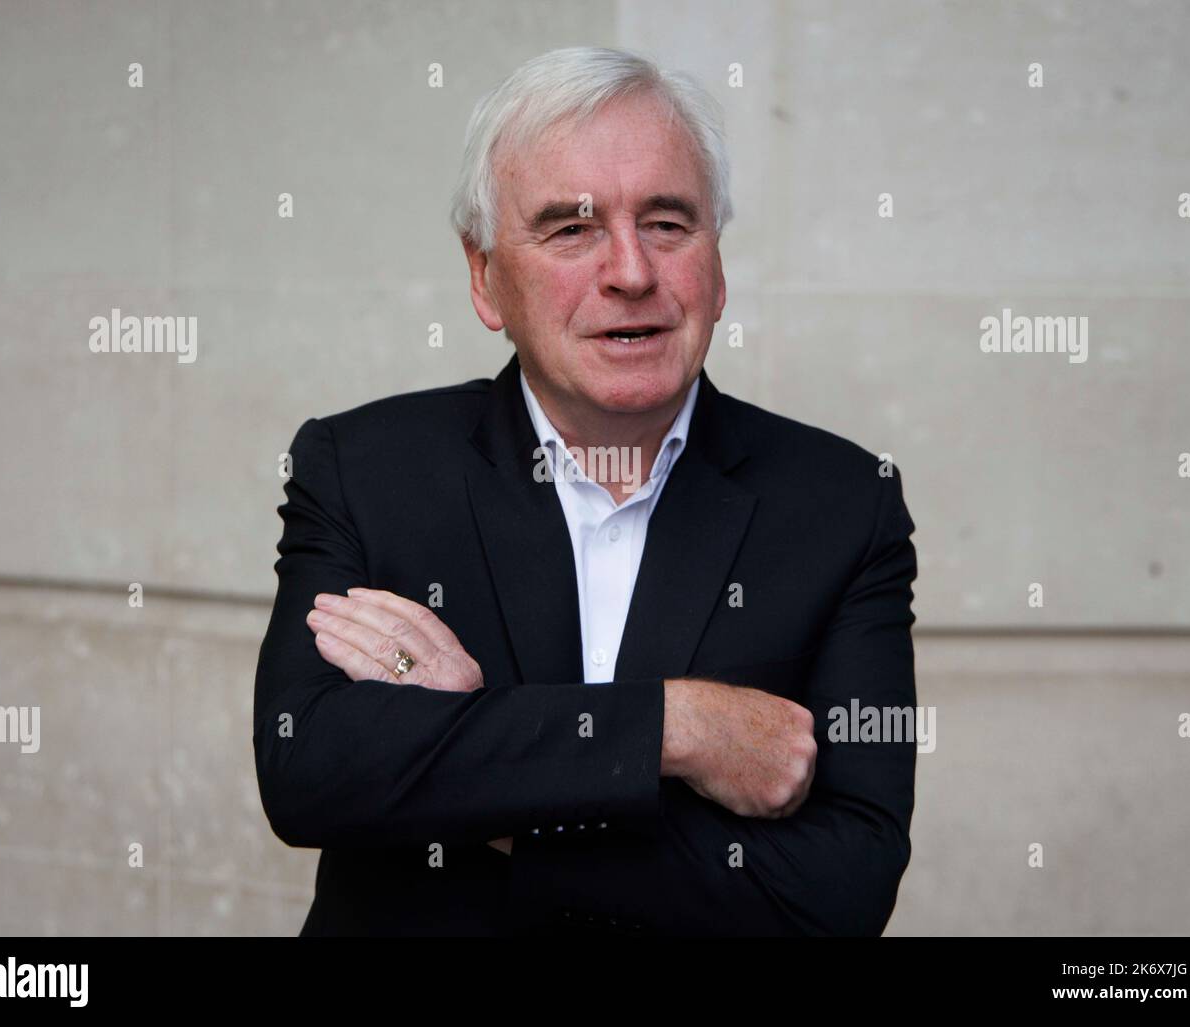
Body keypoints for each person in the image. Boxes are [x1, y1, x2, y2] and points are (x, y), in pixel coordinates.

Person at [253, 46, 918, 936]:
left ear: (717, 270)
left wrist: (479, 765)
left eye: (669, 223)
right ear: (485, 277)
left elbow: (840, 891)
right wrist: (677, 727)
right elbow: (311, 770)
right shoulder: (366, 469)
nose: (631, 272)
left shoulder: (841, 505)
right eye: (571, 229)